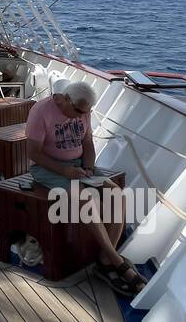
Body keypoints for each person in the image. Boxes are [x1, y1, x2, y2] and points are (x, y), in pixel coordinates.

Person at [24, 81, 146, 296]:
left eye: (86, 112)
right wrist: (65, 172)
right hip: (48, 169)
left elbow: (87, 142)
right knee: (86, 198)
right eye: (79, 111)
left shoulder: (82, 110)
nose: (82, 115)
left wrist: (88, 167)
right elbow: (33, 153)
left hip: (79, 166)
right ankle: (115, 261)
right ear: (65, 99)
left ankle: (105, 259)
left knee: (116, 194)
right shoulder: (41, 111)